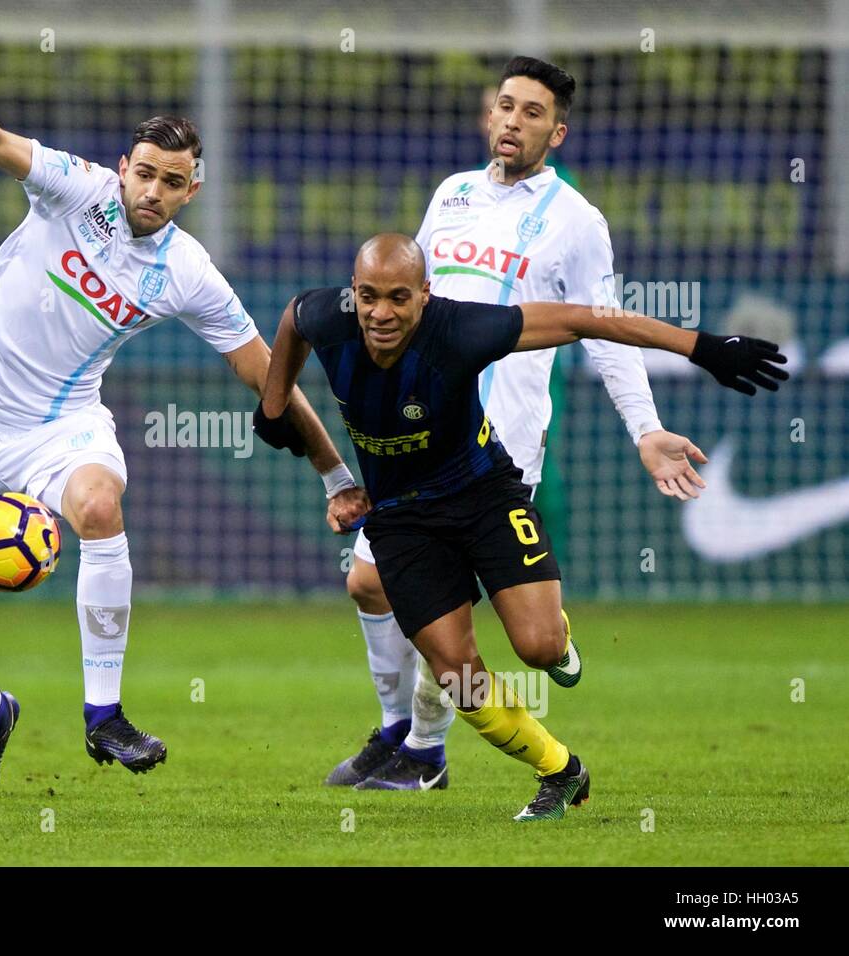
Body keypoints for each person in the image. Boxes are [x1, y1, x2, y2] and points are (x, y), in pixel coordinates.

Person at [0, 41, 365, 808]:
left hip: (64, 423)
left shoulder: (187, 272)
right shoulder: (74, 188)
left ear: (191, 188)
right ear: (123, 168)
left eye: (172, 181)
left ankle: (105, 715)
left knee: (99, 506)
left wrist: (334, 474)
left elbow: (267, 373)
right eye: (144, 173)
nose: (153, 191)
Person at [257, 233, 786, 819]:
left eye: (399, 298)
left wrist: (703, 346)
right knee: (458, 677)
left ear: (426, 296)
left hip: (484, 494)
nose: (381, 313)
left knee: (537, 646)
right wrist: (274, 404)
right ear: (353, 292)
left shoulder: (461, 330)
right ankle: (561, 771)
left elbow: (582, 320)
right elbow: (291, 320)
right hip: (403, 519)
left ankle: (556, 635)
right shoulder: (325, 315)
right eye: (369, 296)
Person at [331, 56, 710, 790]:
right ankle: (408, 739)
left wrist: (646, 429)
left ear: (556, 131)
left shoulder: (576, 221)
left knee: (517, 638)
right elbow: (408, 299)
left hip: (498, 445)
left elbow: (601, 327)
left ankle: (493, 689)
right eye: (506, 105)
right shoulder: (451, 196)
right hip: (415, 439)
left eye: (532, 112)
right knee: (370, 585)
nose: (513, 120)